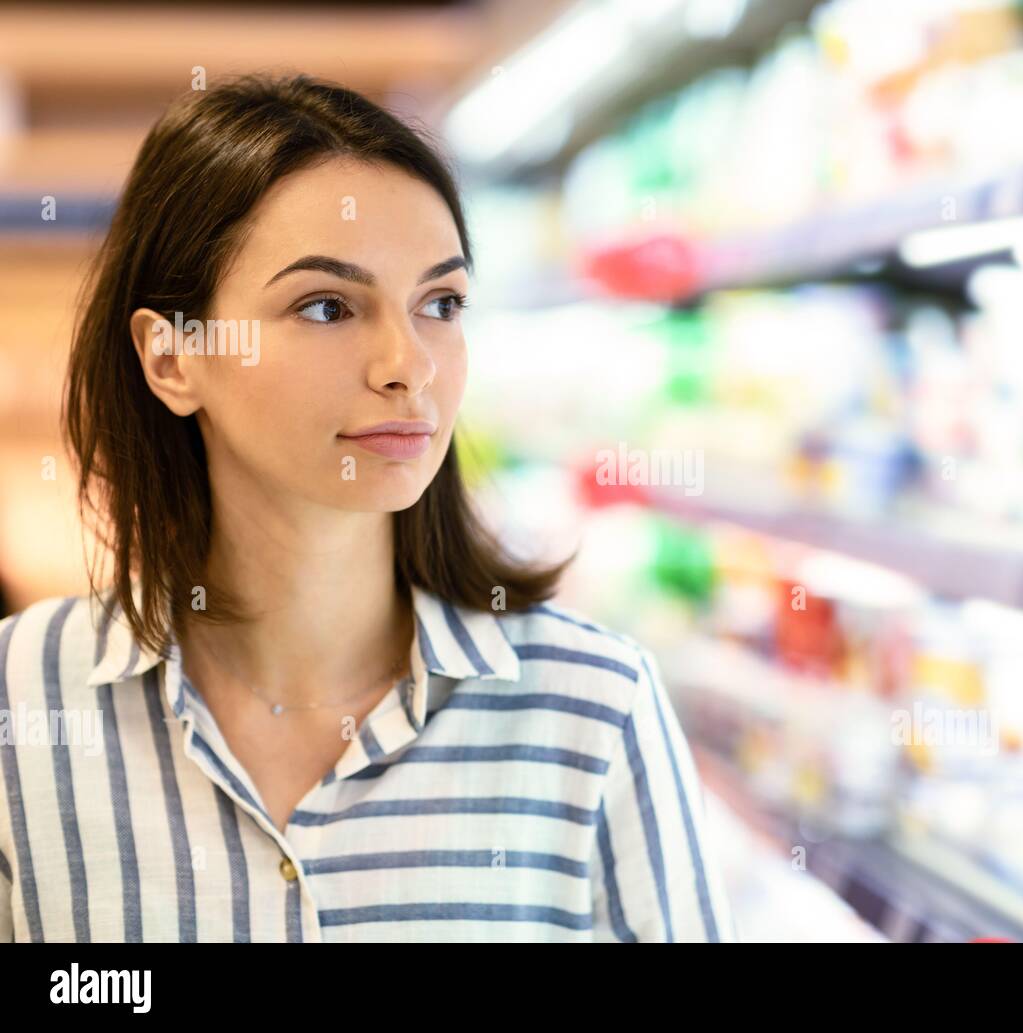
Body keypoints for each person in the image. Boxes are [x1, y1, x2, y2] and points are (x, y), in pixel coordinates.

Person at [0, 73, 734, 943]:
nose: (408, 364)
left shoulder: (593, 705)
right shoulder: (22, 700)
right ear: (172, 359)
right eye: (327, 306)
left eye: (441, 304)